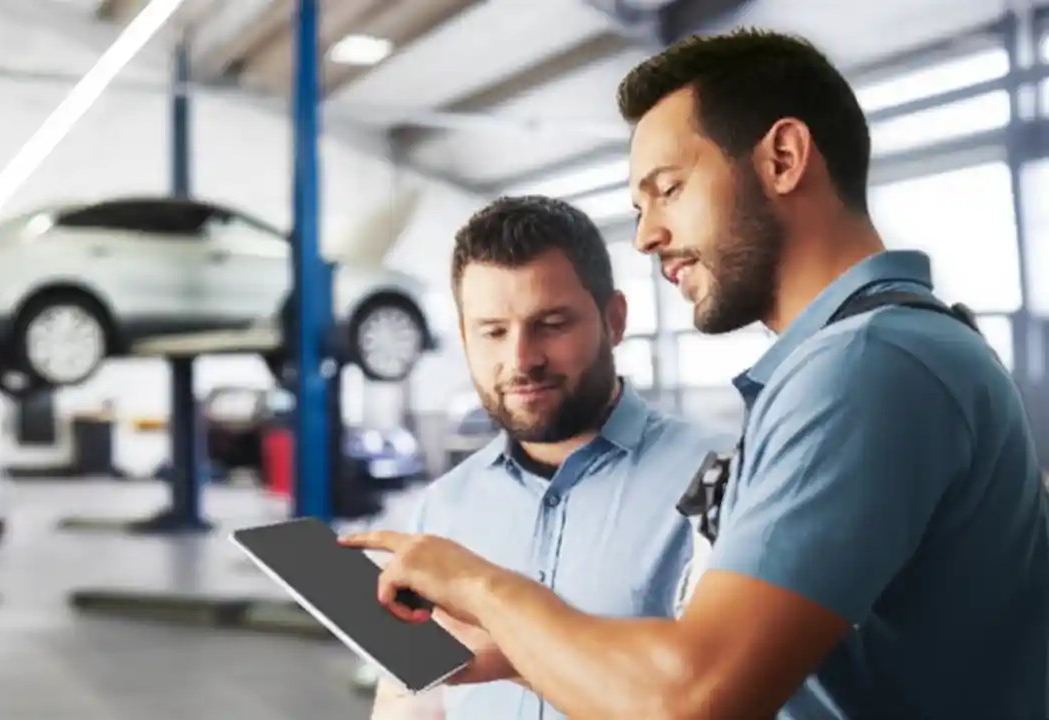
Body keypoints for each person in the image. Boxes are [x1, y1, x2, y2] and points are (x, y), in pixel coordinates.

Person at [344, 28, 1049, 720]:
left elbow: (693, 699)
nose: (648, 235)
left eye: (669, 188)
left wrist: (477, 583)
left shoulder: (865, 368)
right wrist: (515, 650)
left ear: (782, 158)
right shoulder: (876, 353)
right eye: (639, 205)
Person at [367, 196, 731, 720]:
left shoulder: (718, 476)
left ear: (614, 321)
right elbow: (413, 699)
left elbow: (717, 696)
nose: (521, 360)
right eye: (493, 331)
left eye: (551, 324)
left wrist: (513, 650)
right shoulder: (442, 509)